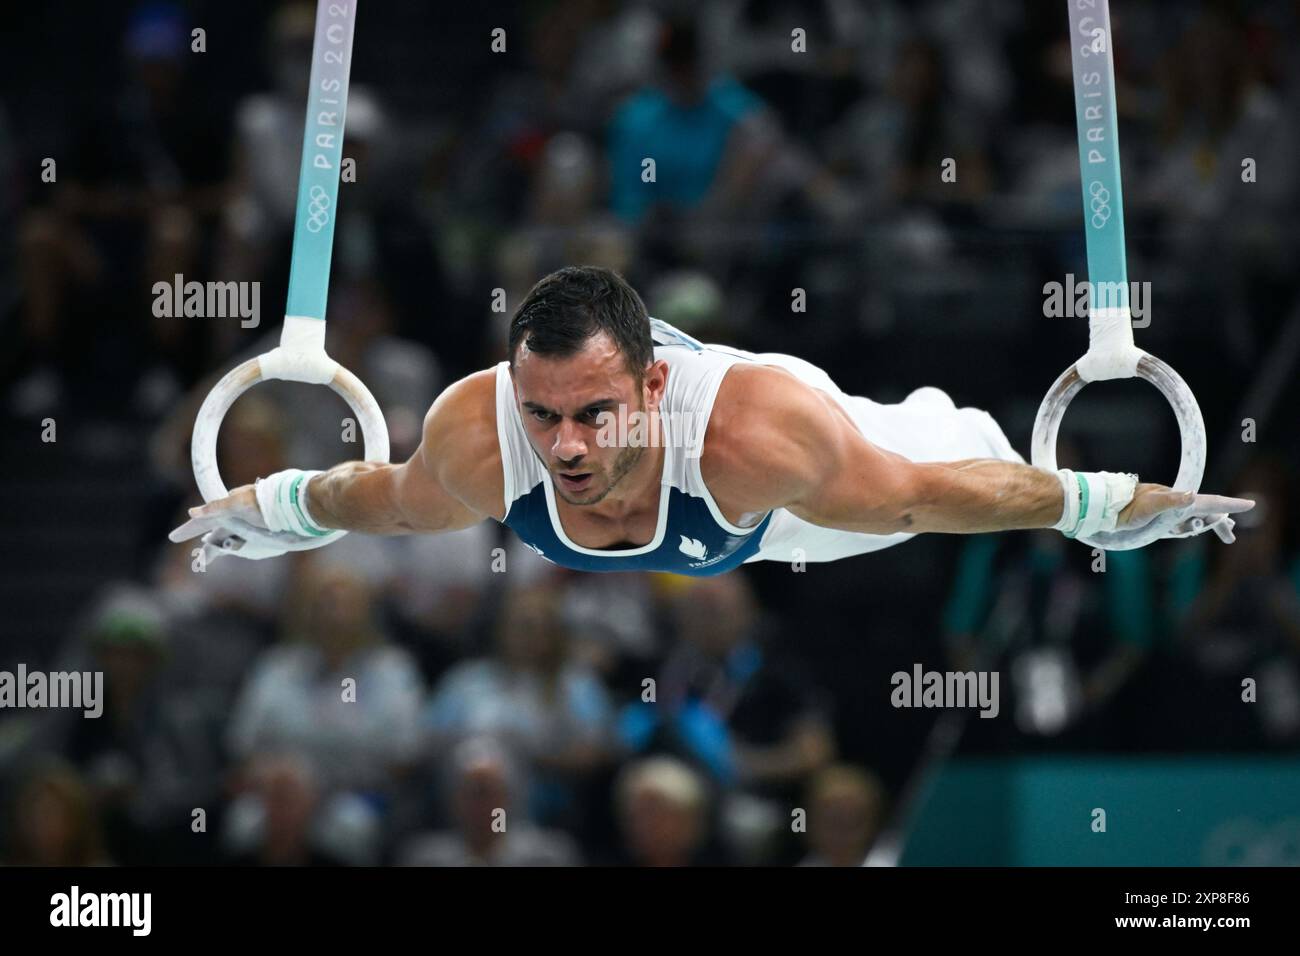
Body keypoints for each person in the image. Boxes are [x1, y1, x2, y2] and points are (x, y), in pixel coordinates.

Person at [171, 265, 1253, 577]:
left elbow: (927, 497)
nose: (566, 447)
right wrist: (270, 507)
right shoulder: (478, 435)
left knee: (933, 451)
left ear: (648, 388)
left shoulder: (751, 434)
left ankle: (931, 415)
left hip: (778, 499)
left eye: (593, 412)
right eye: (541, 415)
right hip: (734, 517)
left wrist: (1101, 502)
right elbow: (385, 504)